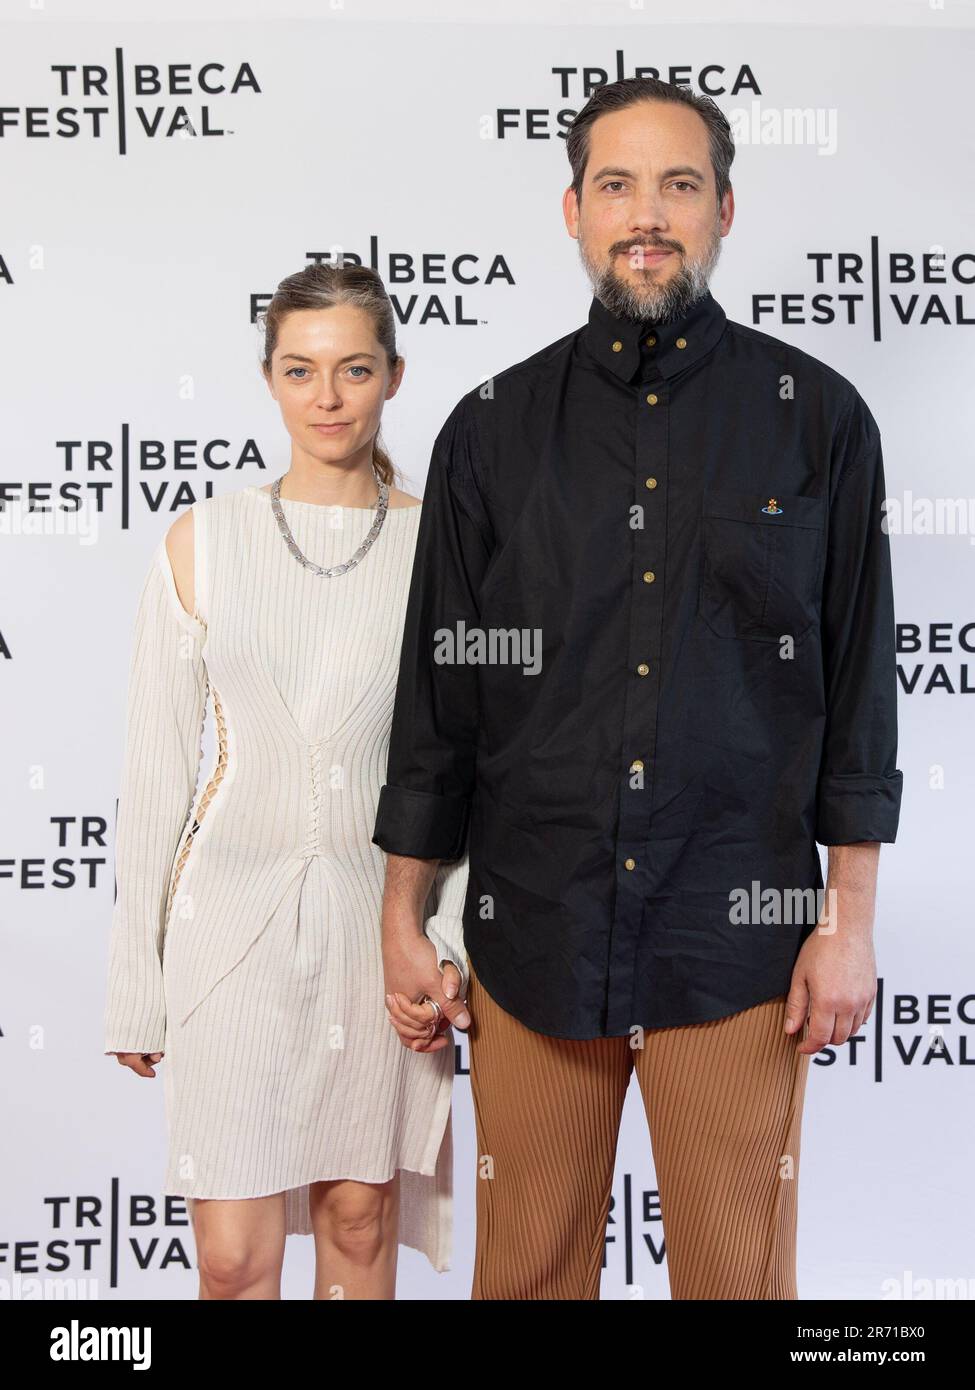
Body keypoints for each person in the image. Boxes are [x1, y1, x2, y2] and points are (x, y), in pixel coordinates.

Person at [373, 76, 902, 1299]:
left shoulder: (817, 419)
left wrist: (850, 922)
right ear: (572, 209)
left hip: (741, 941)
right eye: (617, 185)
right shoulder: (491, 431)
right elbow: (442, 704)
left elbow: (857, 685)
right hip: (534, 930)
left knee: (736, 1283)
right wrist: (403, 914)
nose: (646, 214)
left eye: (678, 185)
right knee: (527, 1280)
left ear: (725, 208)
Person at [103, 263, 471, 1300]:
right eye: (301, 370)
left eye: (355, 368)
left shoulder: (439, 544)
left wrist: (447, 948)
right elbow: (157, 773)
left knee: (358, 1225)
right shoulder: (202, 543)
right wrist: (137, 989)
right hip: (228, 936)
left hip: (381, 933)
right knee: (231, 1255)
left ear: (394, 376)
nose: (328, 396)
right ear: (269, 377)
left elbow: (472, 767)